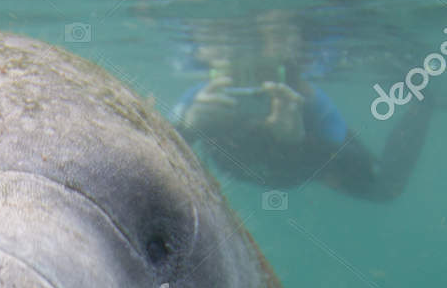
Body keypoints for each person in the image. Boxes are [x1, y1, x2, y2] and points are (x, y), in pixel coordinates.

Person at [171, 11, 432, 201]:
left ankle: (422, 107)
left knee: (384, 190)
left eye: (266, 73)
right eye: (239, 75)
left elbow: (357, 167)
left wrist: (300, 143)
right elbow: (151, 152)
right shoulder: (200, 99)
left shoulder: (307, 102)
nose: (253, 85)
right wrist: (188, 127)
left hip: (291, 170)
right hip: (251, 169)